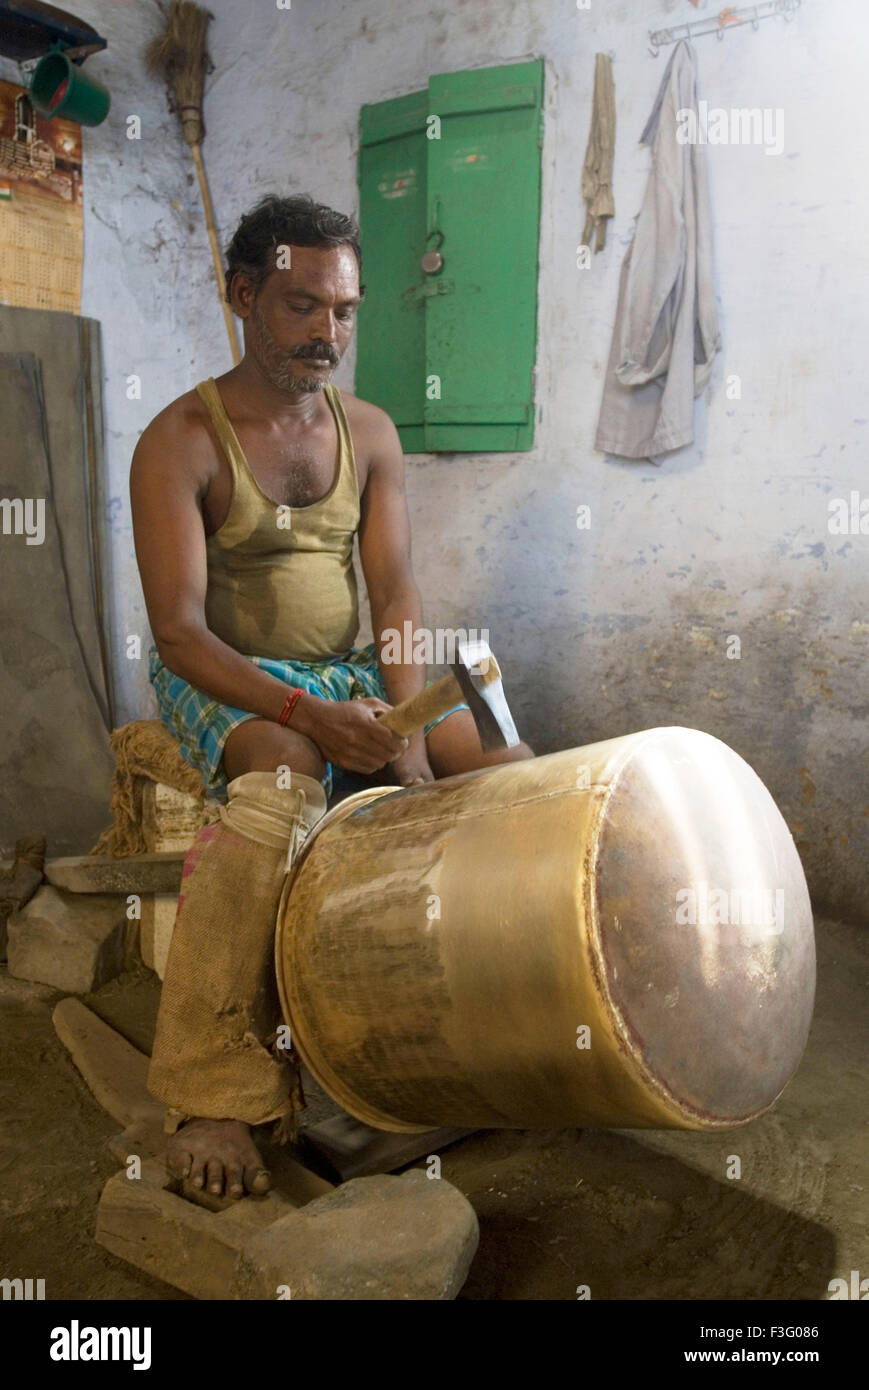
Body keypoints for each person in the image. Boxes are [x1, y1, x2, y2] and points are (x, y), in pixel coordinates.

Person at [130, 194, 533, 1199]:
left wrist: (401, 726)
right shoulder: (178, 437)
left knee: (502, 768)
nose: (327, 334)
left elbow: (394, 593)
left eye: (344, 311)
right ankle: (213, 1085)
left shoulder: (369, 430)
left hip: (346, 665)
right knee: (283, 780)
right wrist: (306, 716)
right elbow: (178, 631)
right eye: (301, 305)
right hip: (226, 677)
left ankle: (490, 1027)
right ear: (242, 296)